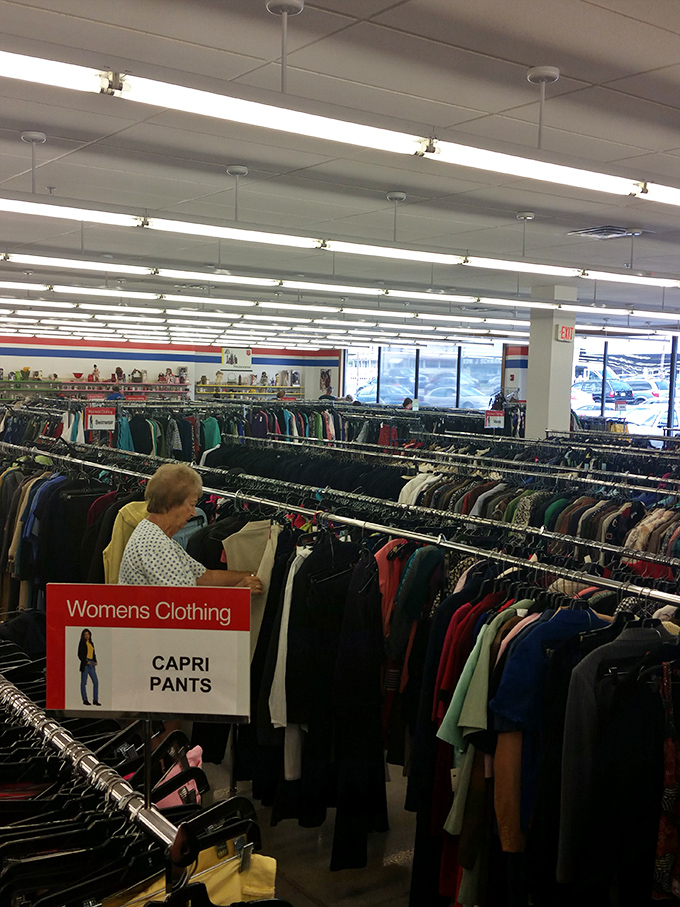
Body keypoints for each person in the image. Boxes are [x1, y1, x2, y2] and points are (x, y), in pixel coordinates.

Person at [118, 463, 263, 591]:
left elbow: (206, 577)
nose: (194, 513)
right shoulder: (154, 545)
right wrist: (238, 593)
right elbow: (182, 609)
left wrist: (253, 575)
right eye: (191, 505)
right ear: (172, 503)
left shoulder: (160, 537)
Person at [78, 629, 100, 706]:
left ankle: (95, 699)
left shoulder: (91, 643)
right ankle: (85, 699)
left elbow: (93, 653)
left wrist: (95, 660)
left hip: (91, 663)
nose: (87, 636)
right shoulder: (82, 643)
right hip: (86, 664)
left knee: (96, 682)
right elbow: (80, 654)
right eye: (85, 635)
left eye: (88, 634)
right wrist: (85, 661)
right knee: (84, 682)